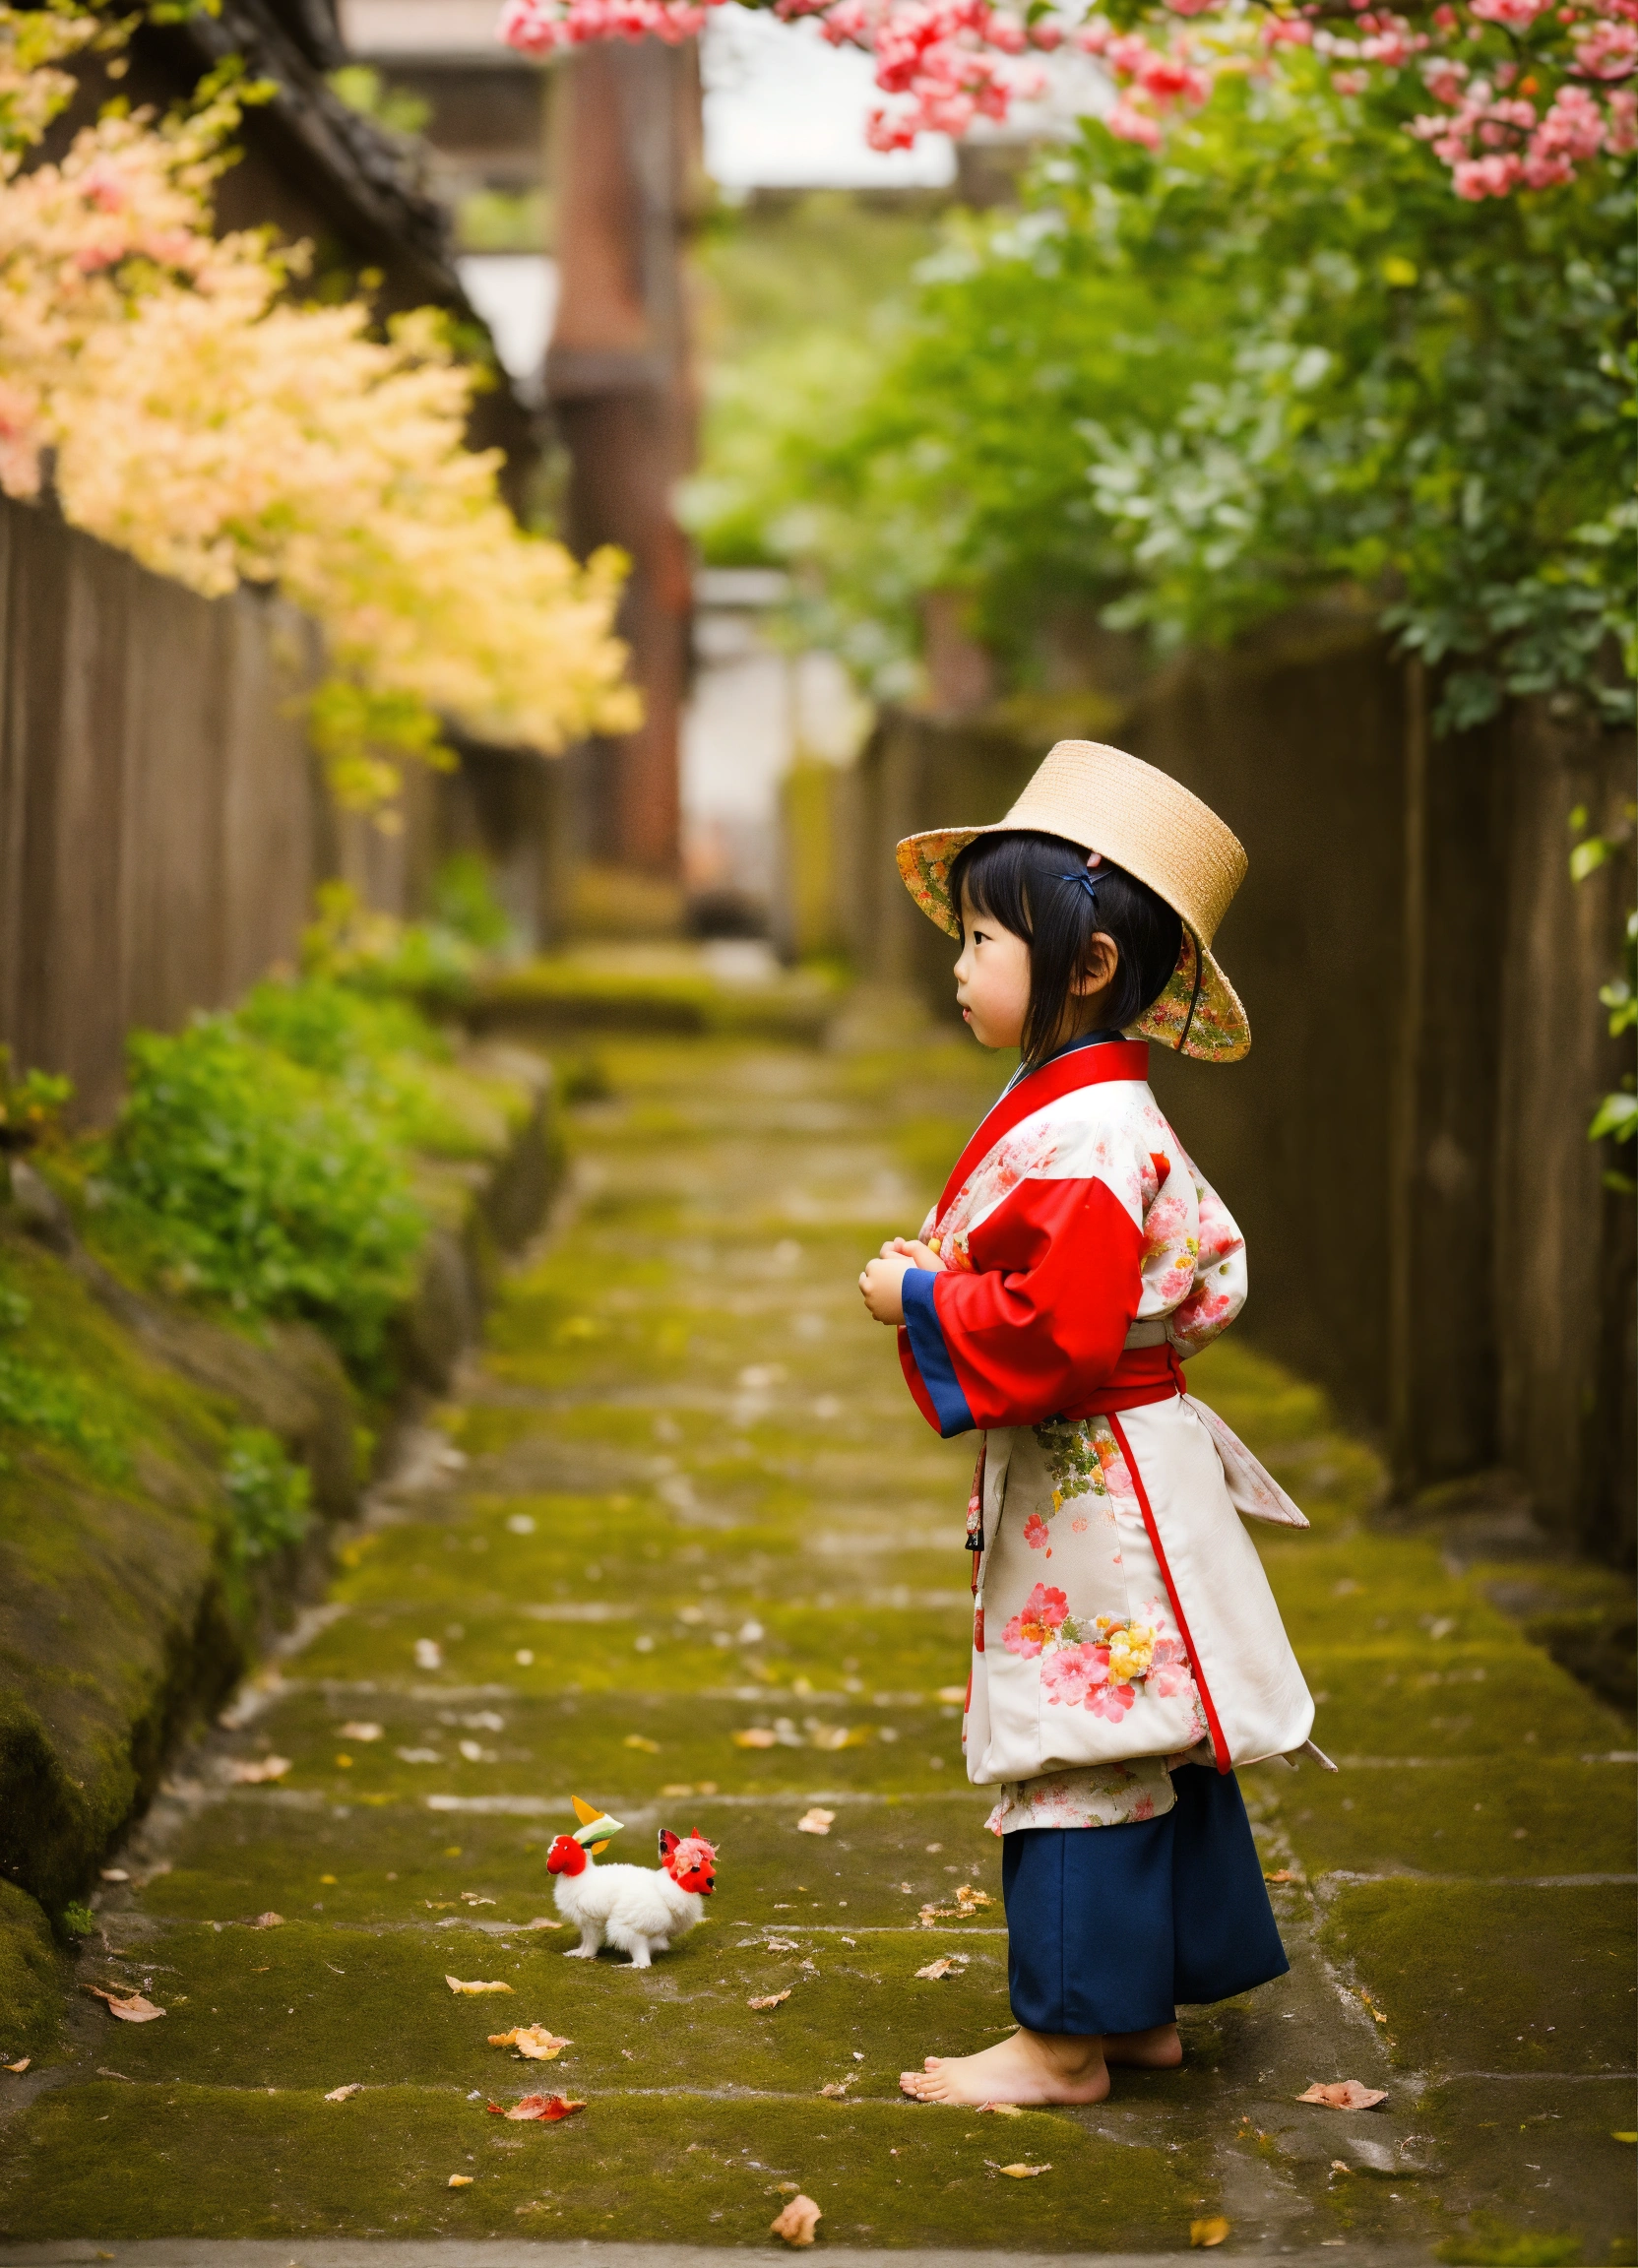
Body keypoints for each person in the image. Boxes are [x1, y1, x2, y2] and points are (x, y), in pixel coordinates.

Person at [857, 738, 1327, 2110]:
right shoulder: (1094, 1115)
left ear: (1089, 965)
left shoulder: (1085, 1137)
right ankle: (1141, 2017)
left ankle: (1067, 2042)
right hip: (1125, 1469)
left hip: (1097, 1477)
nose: (959, 962)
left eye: (986, 935)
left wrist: (922, 1292)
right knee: (1141, 1722)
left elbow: (1058, 1334)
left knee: (1075, 1729)